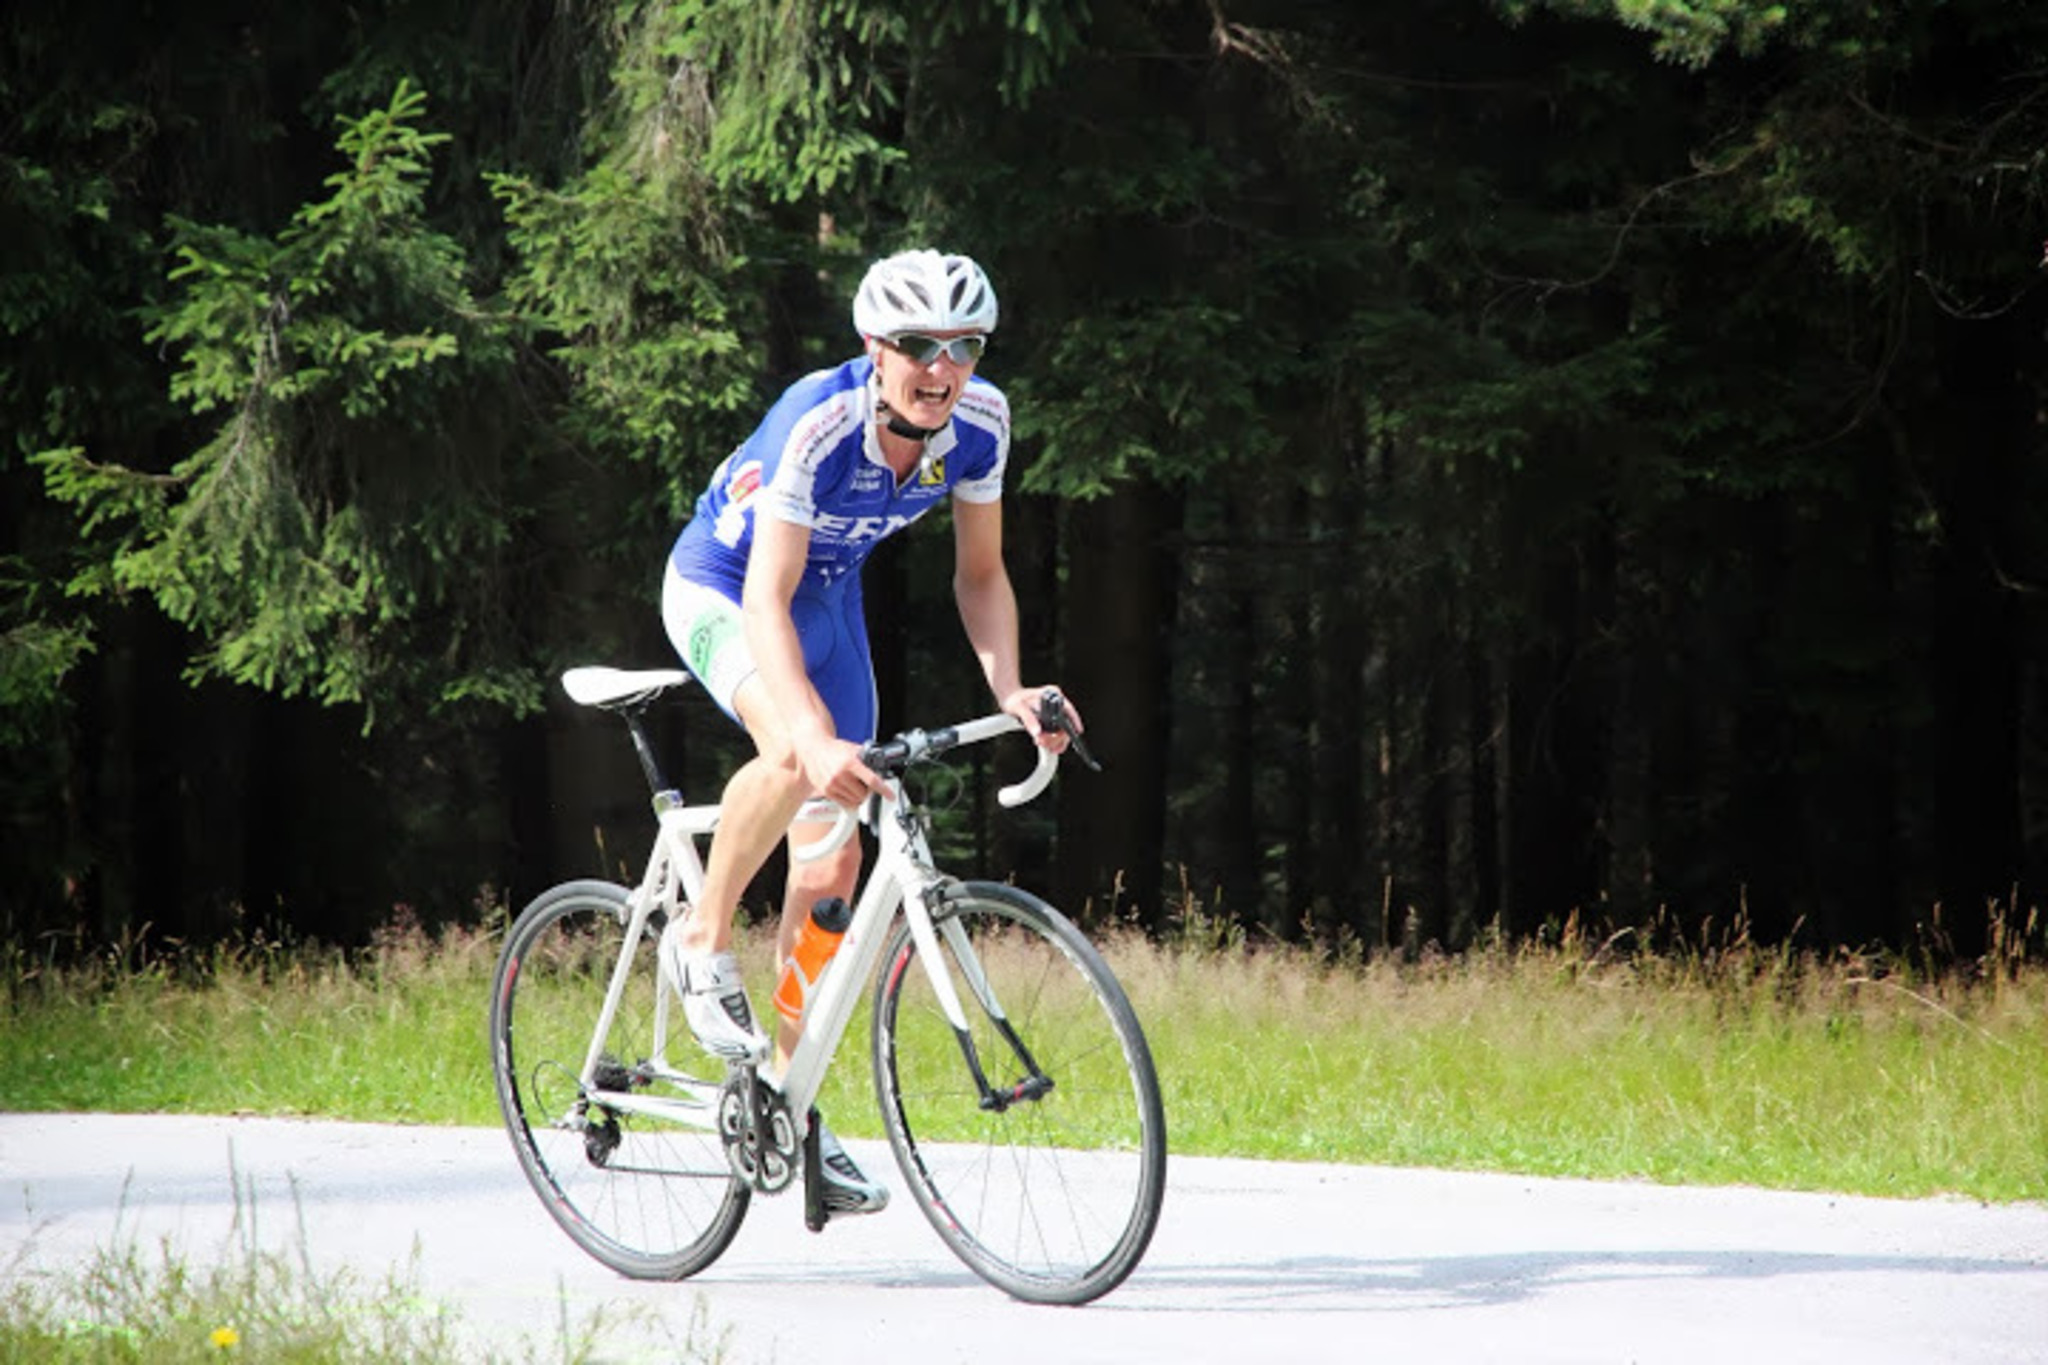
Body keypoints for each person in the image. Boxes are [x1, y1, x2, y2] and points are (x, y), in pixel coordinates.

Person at [657, 248, 1080, 1217]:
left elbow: (978, 574)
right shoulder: (817, 423)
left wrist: (1012, 688)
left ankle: (791, 1107)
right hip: (727, 590)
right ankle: (699, 932)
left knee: (831, 874)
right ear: (873, 347)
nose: (942, 368)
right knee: (789, 750)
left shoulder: (981, 422)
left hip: (827, 602)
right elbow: (763, 592)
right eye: (919, 347)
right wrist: (808, 729)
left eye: (963, 346)